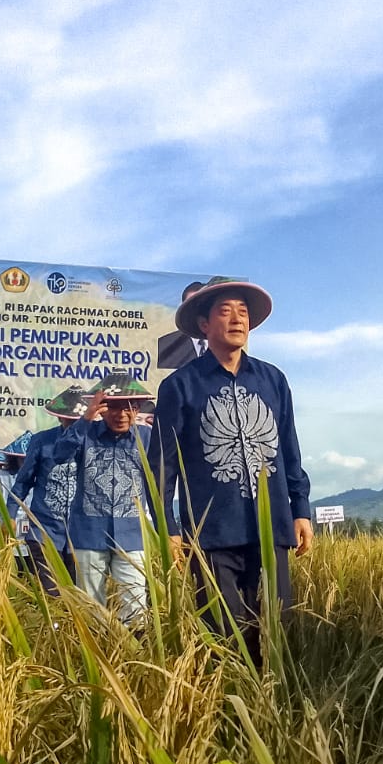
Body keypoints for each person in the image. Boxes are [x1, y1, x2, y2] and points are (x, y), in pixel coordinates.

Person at [150, 277, 313, 665]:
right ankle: (229, 714)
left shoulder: (273, 380)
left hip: (270, 526)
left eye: (243, 311)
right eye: (225, 311)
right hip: (211, 533)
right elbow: (162, 464)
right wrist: (169, 529)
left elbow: (288, 447)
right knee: (226, 635)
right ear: (204, 325)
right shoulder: (180, 386)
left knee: (276, 627)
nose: (237, 319)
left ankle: (273, 709)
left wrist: (301, 507)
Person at [48, 373, 154, 624]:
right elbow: (59, 455)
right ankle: (94, 657)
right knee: (90, 608)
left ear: (137, 409)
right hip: (89, 534)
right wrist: (85, 419)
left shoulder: (147, 438)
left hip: (132, 536)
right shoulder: (86, 433)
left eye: (128, 408)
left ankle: (132, 658)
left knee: (136, 606)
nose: (121, 415)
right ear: (102, 410)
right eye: (113, 407)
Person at [9, 386, 87, 594]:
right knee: (52, 594)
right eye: (68, 420)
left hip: (82, 534)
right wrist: (9, 514)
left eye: (78, 421)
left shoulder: (94, 441)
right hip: (45, 531)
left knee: (79, 595)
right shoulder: (42, 441)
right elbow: (23, 481)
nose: (73, 426)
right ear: (60, 418)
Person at [156, 280, 208, 368]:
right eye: (191, 304)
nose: (197, 310)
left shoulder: (226, 343)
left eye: (202, 305)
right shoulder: (165, 344)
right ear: (183, 308)